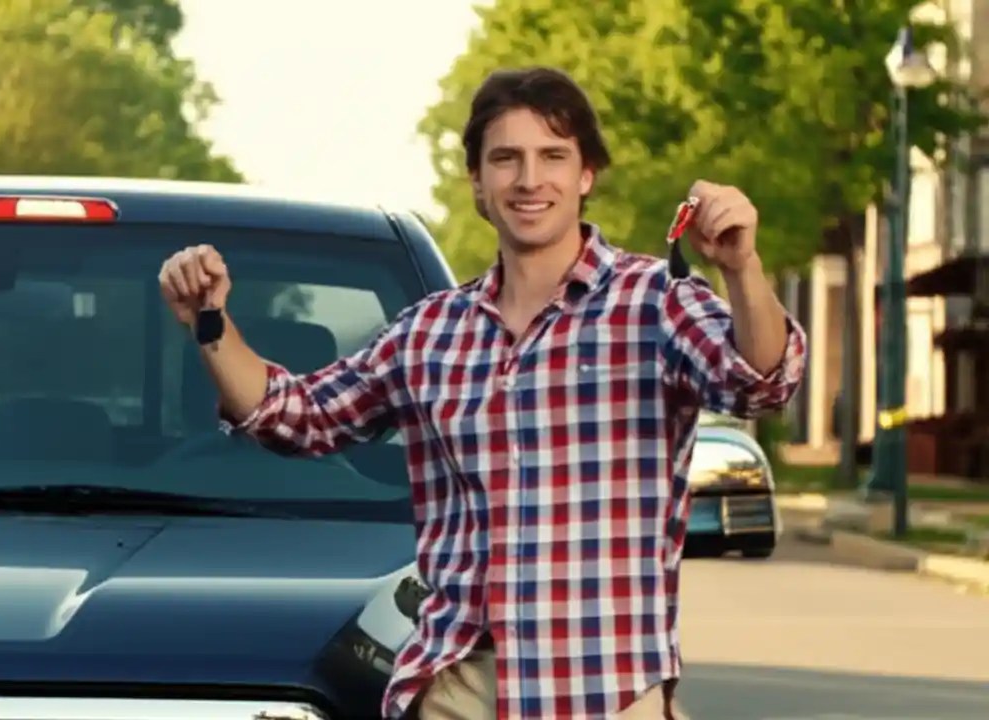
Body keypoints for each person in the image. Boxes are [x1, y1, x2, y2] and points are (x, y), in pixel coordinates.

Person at [158, 66, 807, 720]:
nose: (530, 180)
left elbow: (762, 380)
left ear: (586, 177)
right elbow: (291, 417)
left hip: (606, 691)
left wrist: (740, 267)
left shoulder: (655, 305)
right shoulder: (430, 333)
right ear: (478, 183)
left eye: (553, 156)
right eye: (506, 159)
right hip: (462, 691)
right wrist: (209, 321)